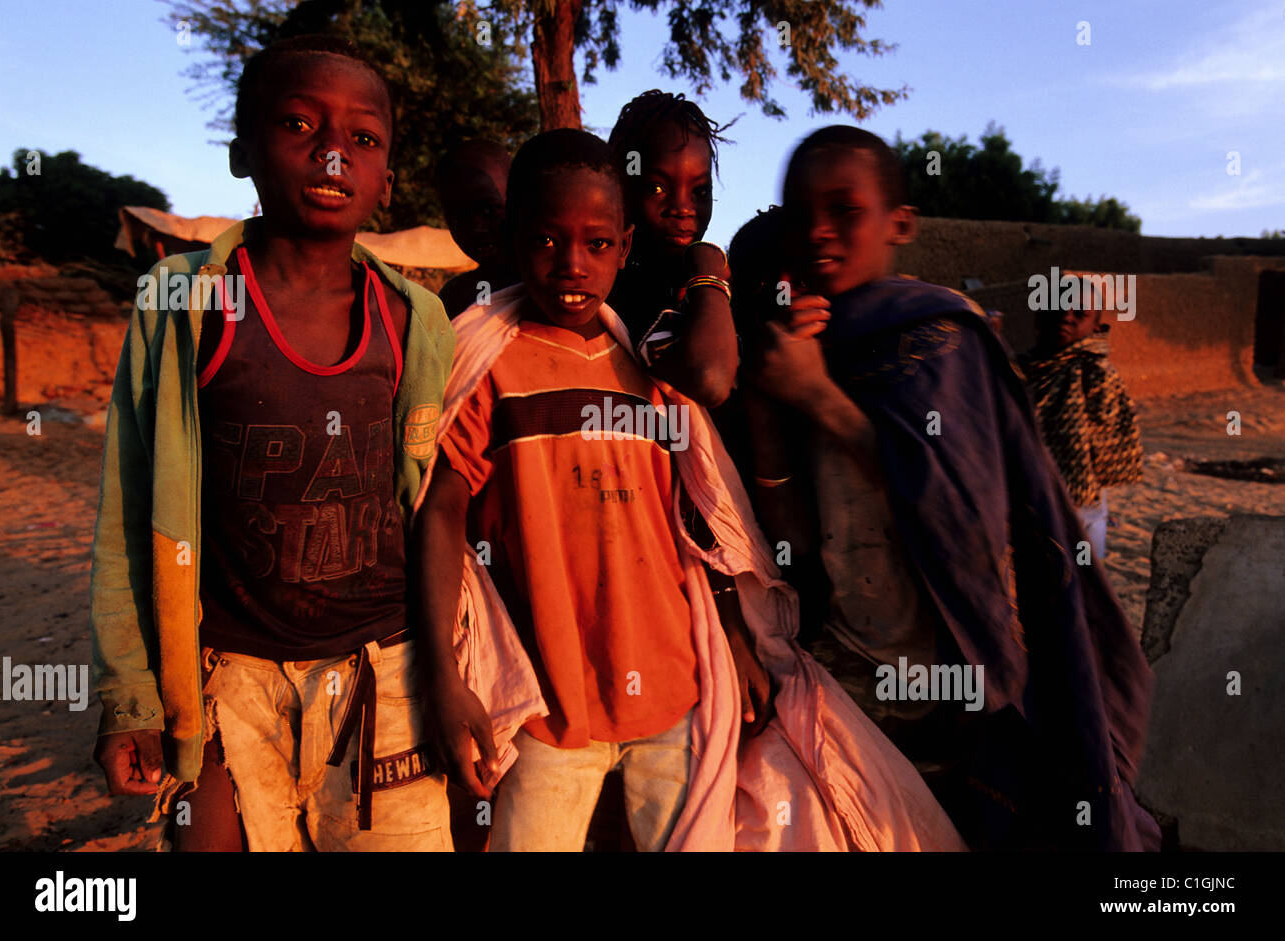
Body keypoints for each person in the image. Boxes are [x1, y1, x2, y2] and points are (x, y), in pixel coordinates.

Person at [410, 128, 965, 853]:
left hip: (674, 693)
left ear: (624, 242)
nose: (572, 264)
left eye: (598, 243)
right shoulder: (488, 365)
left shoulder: (648, 367)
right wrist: (446, 677)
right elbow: (440, 507)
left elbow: (697, 518)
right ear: (512, 240)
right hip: (550, 707)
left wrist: (734, 632)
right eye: (545, 241)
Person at [742, 125, 1158, 851]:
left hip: (947, 674)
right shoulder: (803, 339)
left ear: (901, 223)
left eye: (845, 210)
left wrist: (819, 398)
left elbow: (964, 515)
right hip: (848, 666)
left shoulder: (942, 339)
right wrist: (779, 391)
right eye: (800, 211)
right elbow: (792, 535)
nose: (819, 232)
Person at [90, 35, 455, 852]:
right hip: (225, 675)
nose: (332, 152)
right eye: (298, 124)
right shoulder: (185, 304)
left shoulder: (412, 322)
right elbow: (127, 510)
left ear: (386, 176)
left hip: (382, 673)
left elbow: (426, 496)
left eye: (363, 138)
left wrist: (449, 675)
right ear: (242, 153)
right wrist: (129, 699)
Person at [605, 91, 738, 407]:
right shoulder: (624, 287)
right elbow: (710, 380)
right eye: (656, 188)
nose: (682, 208)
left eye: (700, 191)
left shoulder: (689, 282)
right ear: (619, 186)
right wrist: (708, 270)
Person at [1019, 298, 1143, 560]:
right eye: (1058, 308)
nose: (1066, 317)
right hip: (1024, 493)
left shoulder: (1095, 372)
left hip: (1081, 499)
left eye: (1080, 314)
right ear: (1039, 318)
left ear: (1096, 329)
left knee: (1080, 577)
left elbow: (1110, 432)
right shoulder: (1018, 371)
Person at [436, 139, 517, 318]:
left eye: (489, 209)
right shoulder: (457, 297)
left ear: (520, 199)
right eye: (457, 216)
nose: (476, 228)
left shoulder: (553, 286)